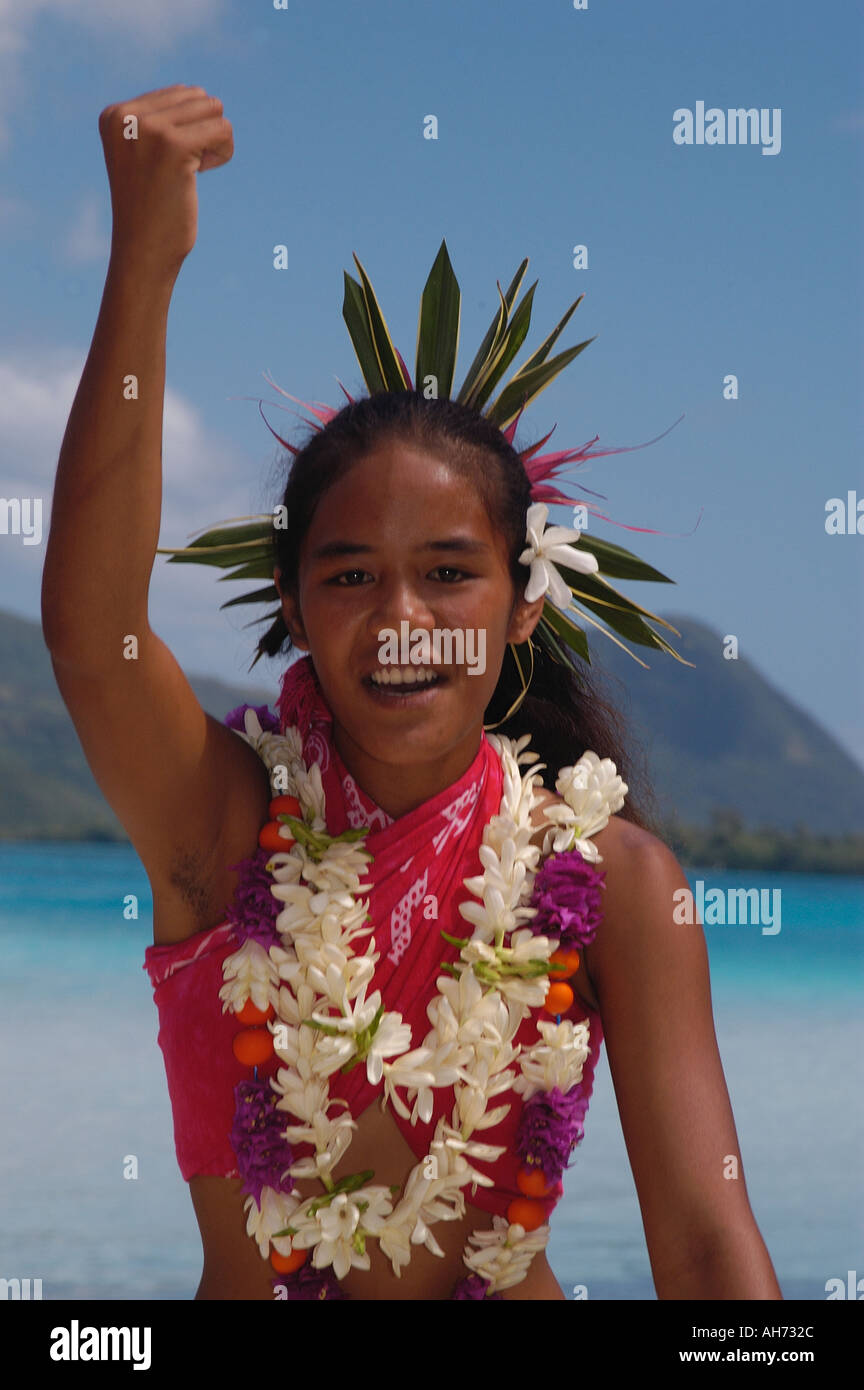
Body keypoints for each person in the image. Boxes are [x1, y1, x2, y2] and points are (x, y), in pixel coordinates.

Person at [42, 84, 782, 1301]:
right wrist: (145, 260)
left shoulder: (615, 885)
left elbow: (706, 1250)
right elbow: (90, 637)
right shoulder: (222, 827)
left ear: (522, 603)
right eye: (351, 575)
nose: (403, 623)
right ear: (292, 599)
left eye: (449, 574)